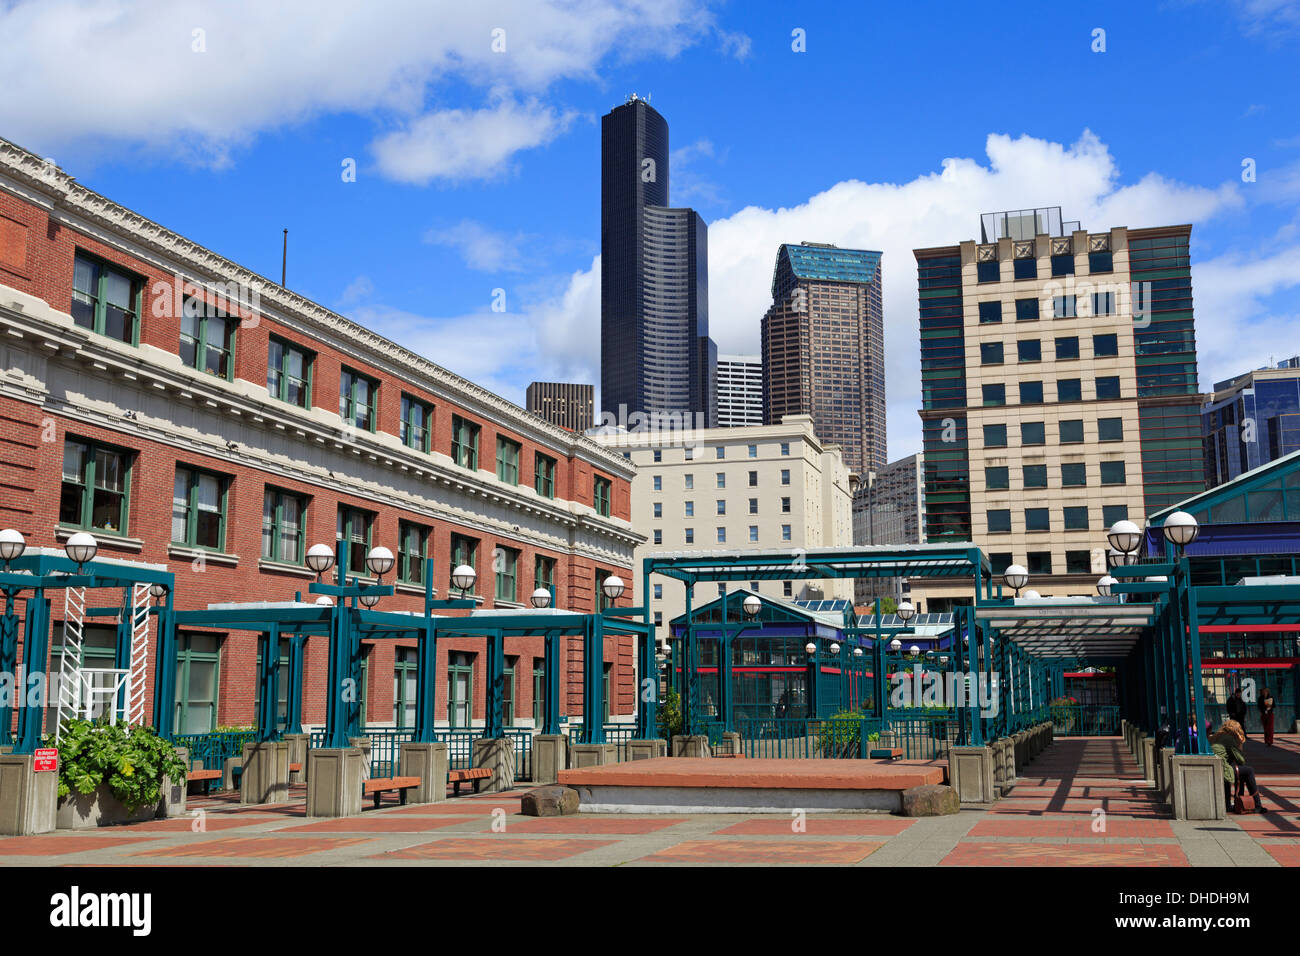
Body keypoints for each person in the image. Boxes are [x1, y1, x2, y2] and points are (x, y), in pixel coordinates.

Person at [1210, 719, 1264, 813]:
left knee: (1231, 768)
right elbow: (1241, 760)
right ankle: (1257, 804)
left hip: (1213, 768)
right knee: (1248, 771)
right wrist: (1240, 744)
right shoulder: (1229, 738)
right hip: (1221, 769)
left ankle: (1227, 804)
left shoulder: (1215, 736)